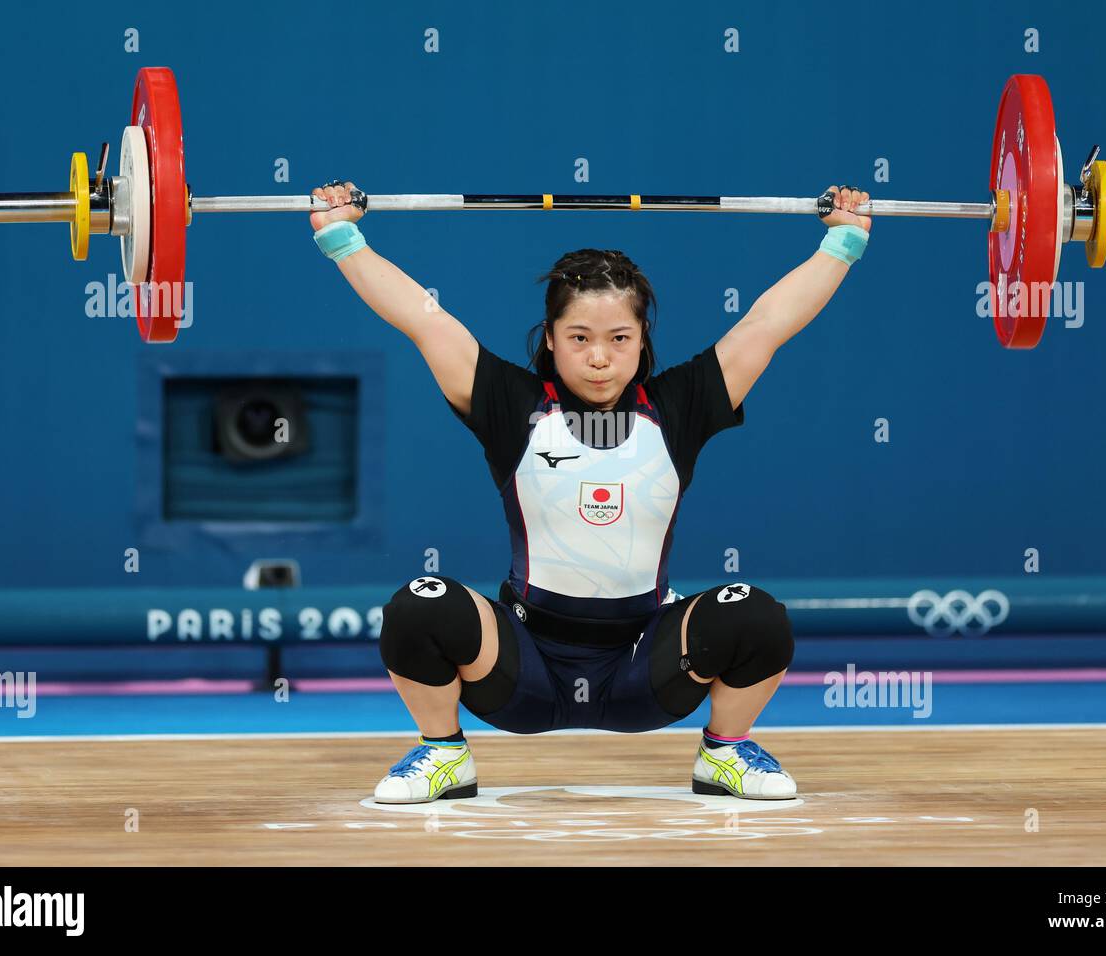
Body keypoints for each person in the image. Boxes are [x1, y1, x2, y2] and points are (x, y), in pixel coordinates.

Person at [308, 181, 872, 803]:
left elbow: (768, 322)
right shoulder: (509, 404)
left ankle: (726, 751)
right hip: (521, 666)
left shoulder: (680, 406)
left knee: (756, 614)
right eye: (579, 338)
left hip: (645, 664)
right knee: (419, 604)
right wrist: (341, 236)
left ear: (642, 339)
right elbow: (421, 316)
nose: (599, 357)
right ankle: (444, 754)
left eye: (618, 339)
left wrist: (843, 241)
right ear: (550, 339)